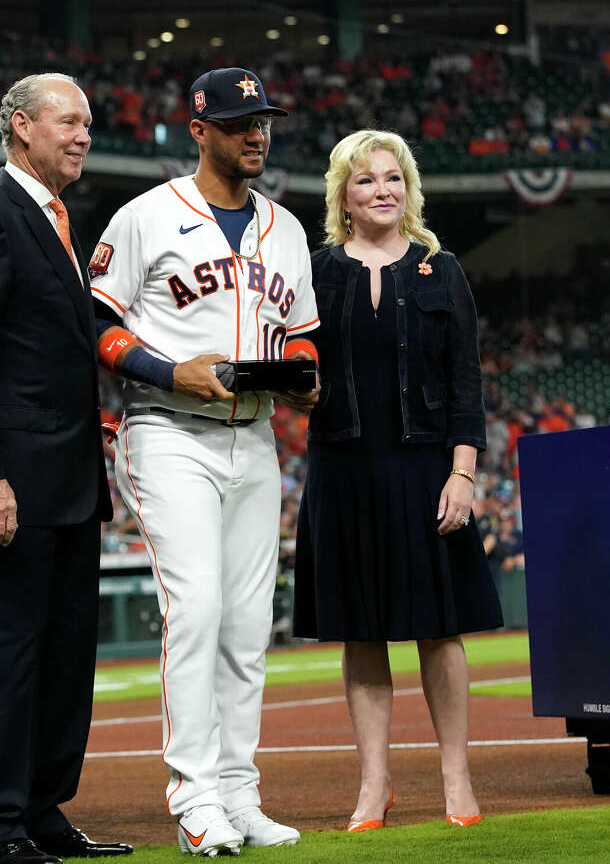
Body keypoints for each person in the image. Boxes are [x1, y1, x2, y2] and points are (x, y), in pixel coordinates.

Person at [87, 67, 318, 856]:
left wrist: (306, 377)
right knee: (198, 611)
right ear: (200, 130)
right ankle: (193, 799)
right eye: (238, 122)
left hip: (254, 435)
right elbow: (97, 325)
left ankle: (239, 792)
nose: (256, 133)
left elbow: (303, 332)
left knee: (249, 625)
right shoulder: (146, 216)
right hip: (167, 428)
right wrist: (164, 369)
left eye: (263, 121)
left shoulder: (286, 228)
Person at [0, 73, 131, 864]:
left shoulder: (53, 220)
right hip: (10, 487)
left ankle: (43, 809)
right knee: (10, 654)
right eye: (69, 121)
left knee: (63, 656)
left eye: (87, 122)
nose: (84, 134)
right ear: (21, 126)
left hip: (72, 485)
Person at [292, 129, 503, 831]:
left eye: (393, 178)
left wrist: (463, 473)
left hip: (426, 470)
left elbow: (467, 382)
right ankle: (373, 784)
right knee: (362, 632)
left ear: (407, 189)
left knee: (440, 631)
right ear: (343, 196)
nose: (382, 189)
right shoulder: (316, 270)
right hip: (342, 468)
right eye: (366, 180)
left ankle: (456, 778)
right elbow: (292, 362)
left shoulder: (441, 270)